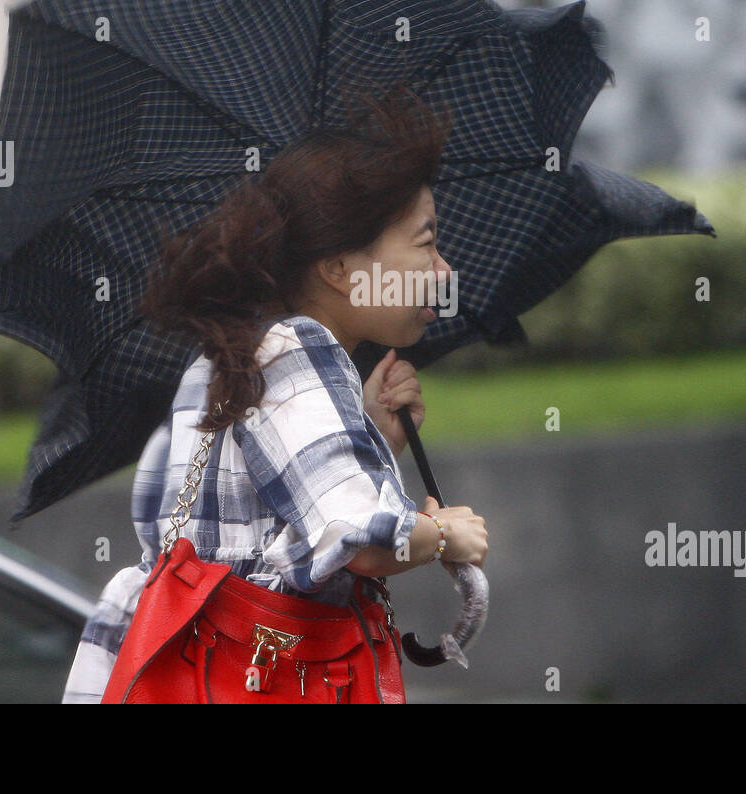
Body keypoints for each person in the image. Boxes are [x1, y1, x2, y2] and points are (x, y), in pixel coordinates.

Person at [62, 82, 488, 703]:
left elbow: (246, 532)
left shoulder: (229, 357)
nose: (445, 271)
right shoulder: (299, 350)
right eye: (425, 242)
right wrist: (447, 533)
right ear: (340, 268)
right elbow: (360, 543)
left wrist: (367, 432)